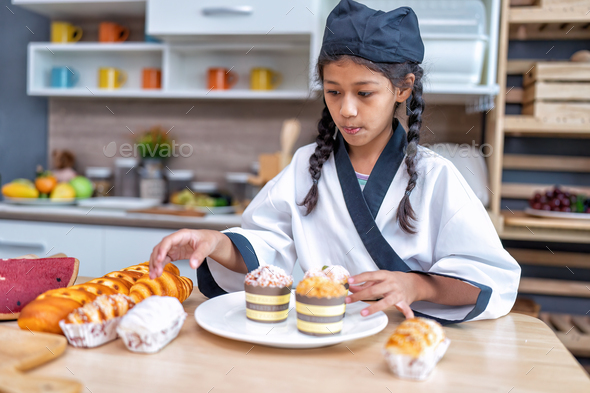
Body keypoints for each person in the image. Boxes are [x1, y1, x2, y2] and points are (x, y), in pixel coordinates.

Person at [149, 0, 520, 324]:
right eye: (333, 92)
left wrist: (416, 284)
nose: (346, 109)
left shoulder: (435, 177)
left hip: (400, 333)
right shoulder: (306, 166)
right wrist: (213, 241)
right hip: (321, 330)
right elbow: (263, 250)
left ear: (403, 89)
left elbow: (488, 279)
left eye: (364, 93)